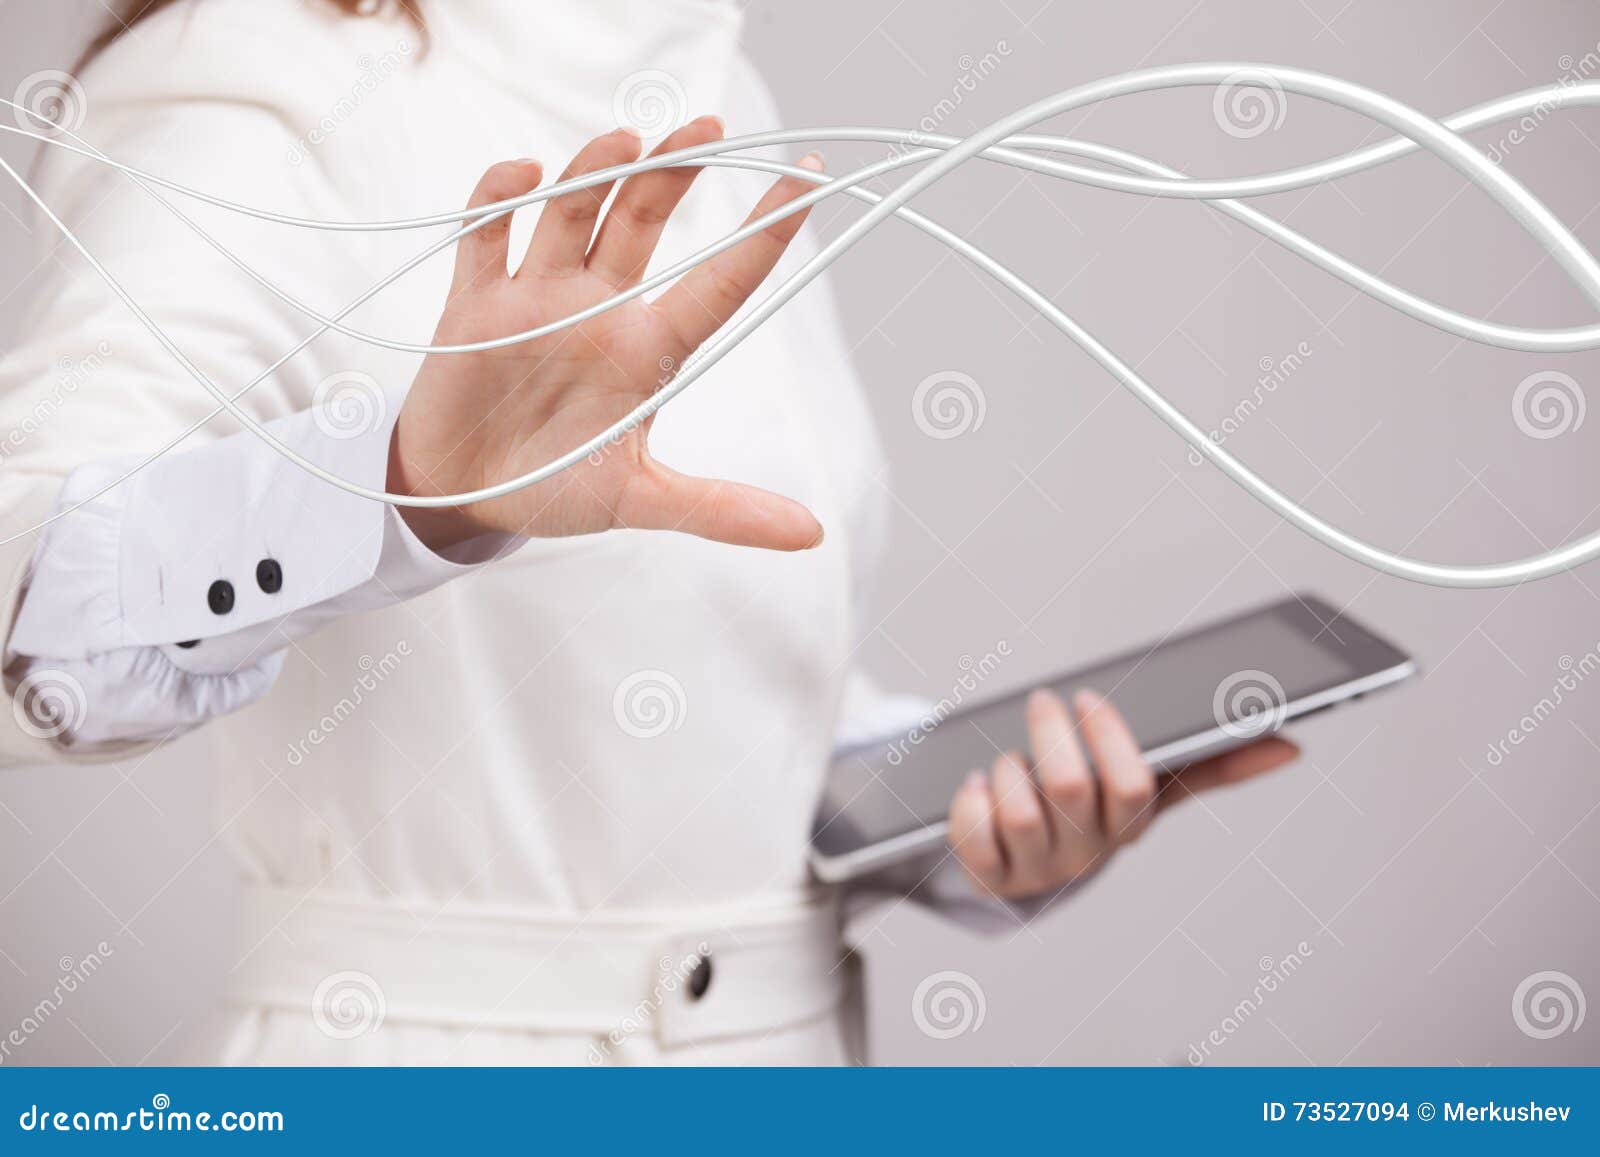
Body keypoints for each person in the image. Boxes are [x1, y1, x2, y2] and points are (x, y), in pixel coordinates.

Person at [0, 0, 1296, 1065]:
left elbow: (685, 680)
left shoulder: (720, 87)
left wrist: (953, 819)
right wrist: (407, 490)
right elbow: (28, 599)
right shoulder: (251, 77)